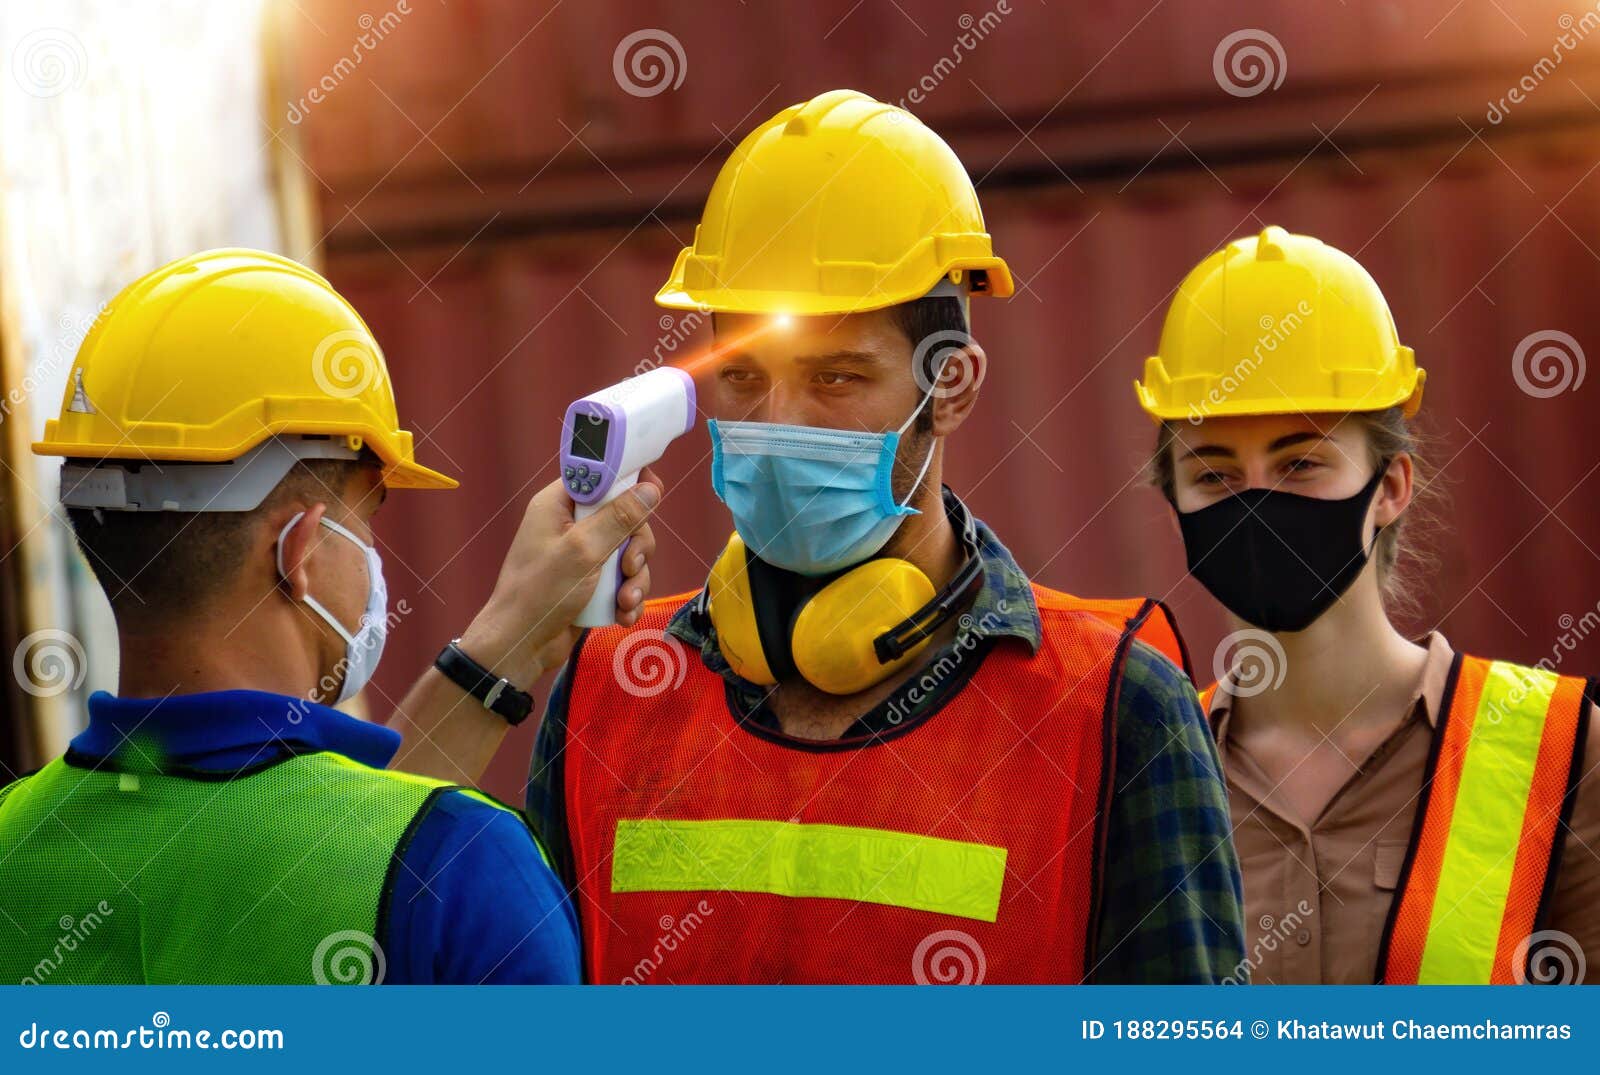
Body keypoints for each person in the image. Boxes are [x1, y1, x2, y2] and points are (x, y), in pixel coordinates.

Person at [517, 89, 1243, 983]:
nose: (778, 423)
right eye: (743, 376)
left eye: (834, 376)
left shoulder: (1116, 711)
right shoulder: (606, 689)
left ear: (954, 386)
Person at [0, 249, 660, 984]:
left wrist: (504, 648)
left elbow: (318, 841)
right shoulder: (467, 868)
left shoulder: (14, 846)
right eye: (368, 516)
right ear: (302, 549)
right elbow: (365, 857)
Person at [1136, 225, 1599, 984]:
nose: (1256, 502)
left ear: (1390, 486)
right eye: (1215, 474)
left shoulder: (1563, 752)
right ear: (1175, 502)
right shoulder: (1145, 775)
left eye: (1301, 461)